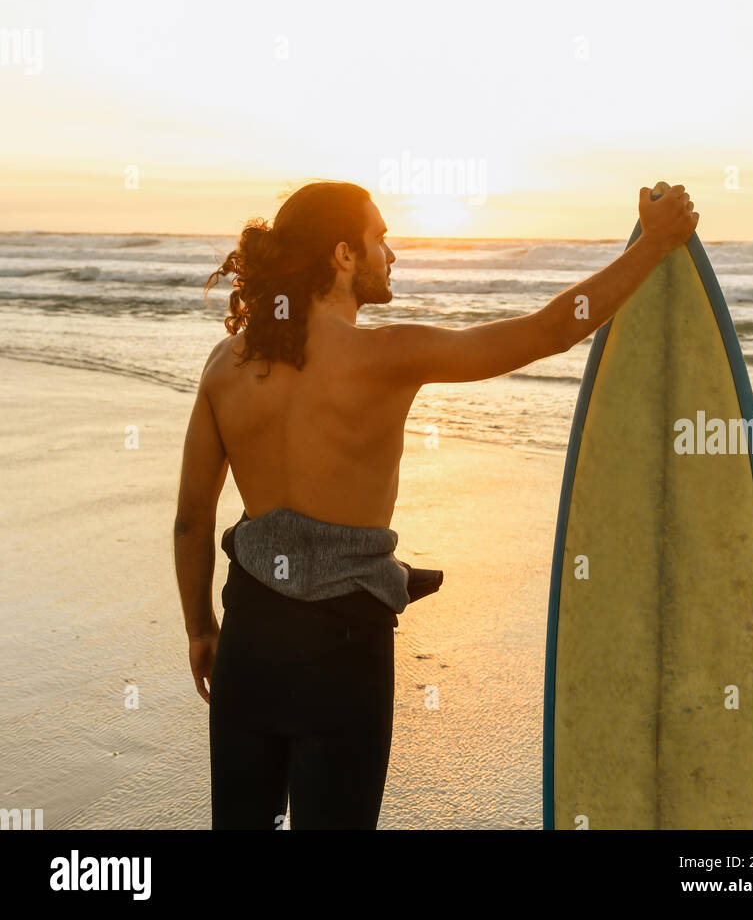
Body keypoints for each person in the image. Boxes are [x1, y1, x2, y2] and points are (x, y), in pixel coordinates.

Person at [173, 178, 698, 829]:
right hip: (342, 647)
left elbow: (193, 520)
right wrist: (655, 243)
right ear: (342, 255)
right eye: (380, 239)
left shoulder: (225, 366)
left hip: (250, 634)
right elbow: (552, 330)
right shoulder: (388, 355)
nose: (391, 254)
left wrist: (202, 629)